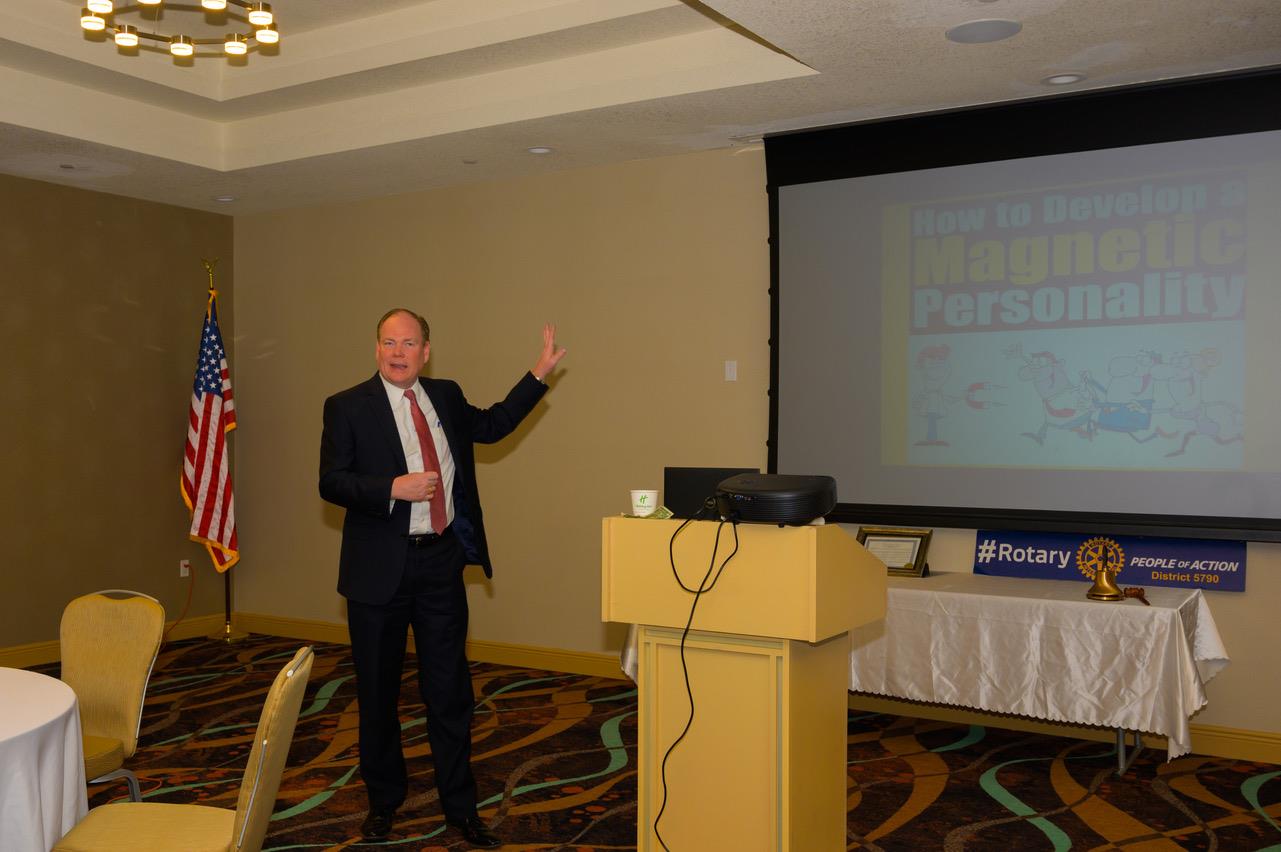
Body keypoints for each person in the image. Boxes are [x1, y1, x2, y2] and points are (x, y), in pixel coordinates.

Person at [319, 308, 565, 847]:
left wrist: (538, 373)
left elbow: (495, 425)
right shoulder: (346, 406)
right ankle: (384, 801)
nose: (398, 352)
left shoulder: (446, 396)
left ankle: (461, 808)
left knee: (450, 693)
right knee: (378, 693)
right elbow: (332, 482)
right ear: (376, 348)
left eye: (408, 343)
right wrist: (391, 487)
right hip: (378, 572)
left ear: (426, 350)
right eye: (388, 342)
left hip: (439, 564)